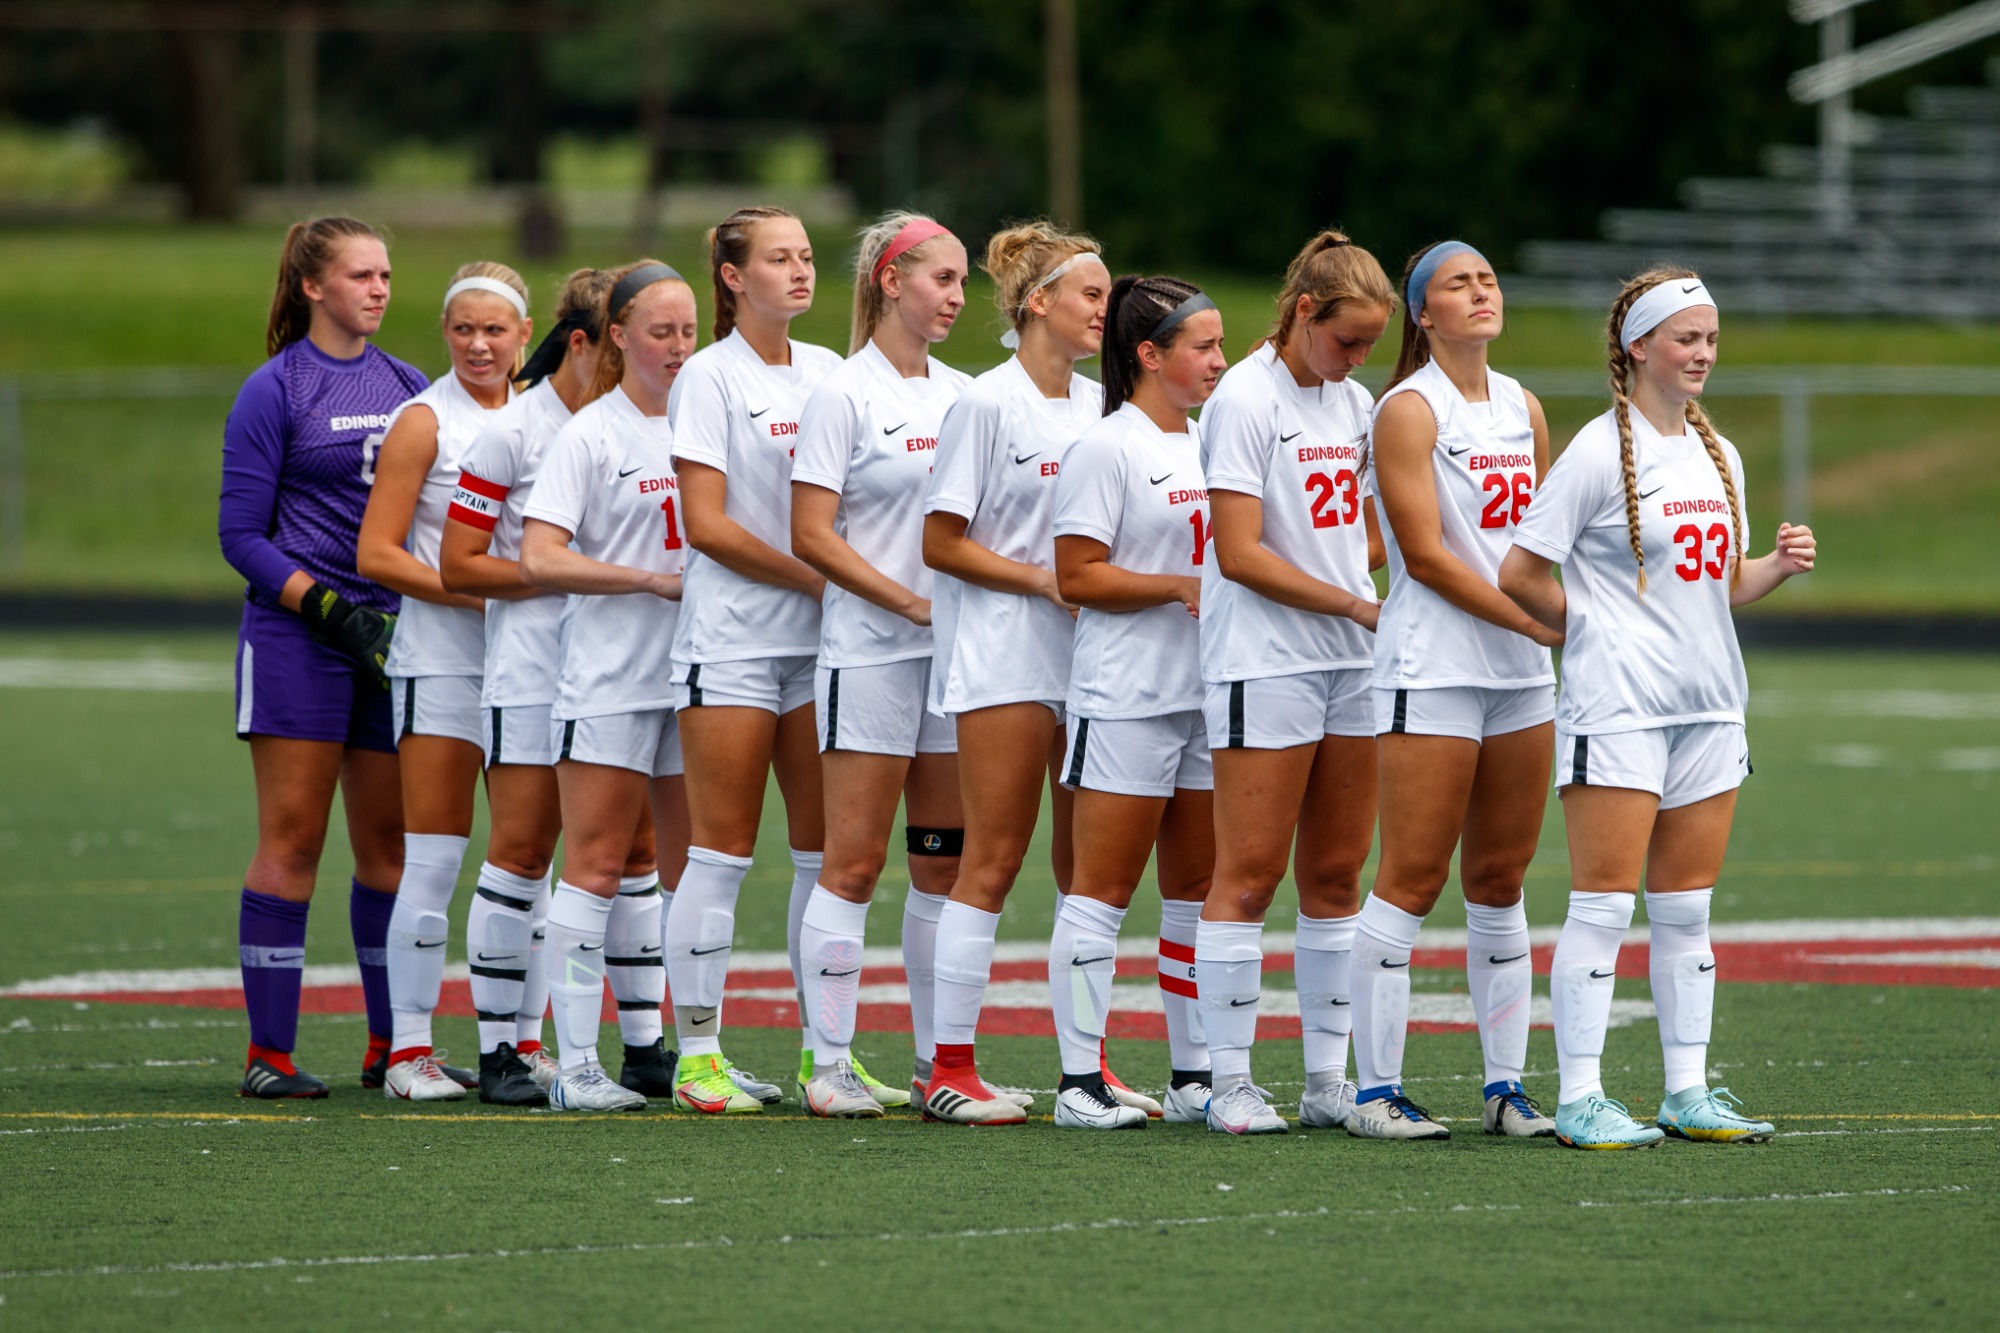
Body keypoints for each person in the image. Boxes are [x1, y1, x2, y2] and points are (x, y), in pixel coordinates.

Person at [1500, 269, 1814, 1149]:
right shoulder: (1599, 451)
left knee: (1685, 910)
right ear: (1639, 346)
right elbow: (1520, 573)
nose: (1703, 353)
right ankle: (1581, 1097)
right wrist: (1593, 630)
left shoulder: (1722, 454)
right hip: (1620, 708)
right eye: (1686, 338)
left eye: (1711, 338)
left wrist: (1776, 569)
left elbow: (1724, 583)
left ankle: (1686, 1090)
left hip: (1712, 707)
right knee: (1604, 906)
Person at [1345, 241, 1564, 1141]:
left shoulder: (1523, 405)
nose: (1481, 292)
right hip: (1433, 667)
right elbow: (1426, 557)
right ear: (1422, 314)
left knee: (1502, 880)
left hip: (1520, 679)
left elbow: (1540, 543)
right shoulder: (1406, 408)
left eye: (1488, 279)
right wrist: (1532, 621)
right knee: (1410, 878)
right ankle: (1374, 1093)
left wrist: (1565, 617)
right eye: (1458, 284)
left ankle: (1505, 1088)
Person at [220, 216, 426, 1099]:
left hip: (395, 640)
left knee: (389, 845)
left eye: (385, 274)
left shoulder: (411, 384)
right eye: (359, 275)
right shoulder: (276, 389)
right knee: (296, 838)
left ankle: (392, 1045)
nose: (379, 288)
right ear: (313, 286)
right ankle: (270, 1053)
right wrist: (329, 608)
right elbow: (239, 535)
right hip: (300, 639)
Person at [1194, 231, 1395, 1134]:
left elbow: (1366, 533)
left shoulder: (1356, 402)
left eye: (1370, 346)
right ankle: (1229, 1080)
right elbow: (1239, 554)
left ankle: (1326, 1080)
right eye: (1347, 339)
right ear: (1304, 312)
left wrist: (1366, 587)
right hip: (1264, 660)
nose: (1357, 360)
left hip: (1350, 666)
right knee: (1247, 872)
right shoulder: (1243, 396)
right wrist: (1353, 605)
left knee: (1336, 872)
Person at [918, 221, 1109, 1125]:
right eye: (1092, 296)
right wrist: (1046, 577)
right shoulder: (986, 403)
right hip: (1003, 658)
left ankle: (1088, 1073)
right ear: (1039, 304)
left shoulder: (1102, 407)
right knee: (990, 861)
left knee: (1089, 875)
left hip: (1097, 666)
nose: (1105, 312)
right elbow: (939, 543)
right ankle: (948, 1067)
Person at [787, 213, 974, 1117]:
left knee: (942, 865)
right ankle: (828, 1062)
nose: (955, 297)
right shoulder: (842, 392)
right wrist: (904, 601)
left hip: (956, 667)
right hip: (869, 656)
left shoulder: (968, 394)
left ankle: (943, 1064)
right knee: (853, 863)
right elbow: (809, 533)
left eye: (964, 282)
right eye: (941, 278)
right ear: (891, 280)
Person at [662, 206, 842, 1114]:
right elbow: (709, 525)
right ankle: (696, 1057)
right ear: (733, 277)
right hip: (732, 642)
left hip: (825, 651)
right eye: (779, 258)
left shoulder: (833, 372)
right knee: (722, 853)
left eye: (807, 256)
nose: (800, 271)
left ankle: (827, 1060)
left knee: (824, 856)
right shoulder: (708, 376)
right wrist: (819, 578)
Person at [518, 261, 700, 1112]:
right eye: (660, 331)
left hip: (697, 674)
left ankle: (692, 1055)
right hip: (609, 680)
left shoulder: (707, 423)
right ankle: (577, 1065)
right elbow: (540, 555)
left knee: (684, 868)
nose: (677, 346)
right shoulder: (590, 433)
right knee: (591, 865)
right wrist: (644, 580)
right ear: (619, 337)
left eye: (689, 330)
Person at [1046, 274, 1227, 1131]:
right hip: (1124, 696)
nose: (1219, 362)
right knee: (1102, 889)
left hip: (1206, 696)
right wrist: (1175, 587)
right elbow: (1075, 576)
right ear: (1150, 356)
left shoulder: (1212, 443)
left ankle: (1194, 1071)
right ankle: (1079, 1081)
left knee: (1193, 888)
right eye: (1204, 346)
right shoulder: (1107, 446)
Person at [438, 266, 615, 1106]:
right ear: (583, 340)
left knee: (628, 856)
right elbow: (458, 562)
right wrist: (562, 574)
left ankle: (644, 1048)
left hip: (618, 673)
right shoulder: (513, 431)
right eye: (626, 340)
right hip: (532, 669)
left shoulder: (640, 424)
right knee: (522, 848)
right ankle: (501, 1051)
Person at [357, 262, 531, 1101]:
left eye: (495, 329)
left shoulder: (543, 420)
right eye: (463, 329)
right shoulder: (424, 421)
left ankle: (520, 1043)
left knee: (524, 859)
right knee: (434, 857)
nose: (478, 344)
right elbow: (379, 552)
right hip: (443, 659)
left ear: (525, 337)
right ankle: (409, 1051)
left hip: (529, 663)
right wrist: (473, 586)